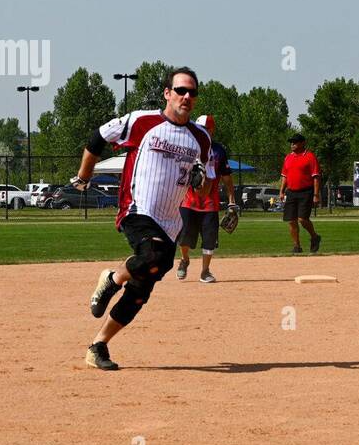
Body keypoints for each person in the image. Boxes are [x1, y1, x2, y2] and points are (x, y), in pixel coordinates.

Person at [76, 67, 212, 370]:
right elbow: (97, 137)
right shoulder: (141, 121)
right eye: (180, 90)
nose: (186, 97)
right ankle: (113, 279)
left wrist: (200, 178)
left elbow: (203, 189)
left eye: (192, 92)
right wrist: (83, 177)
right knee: (156, 257)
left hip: (170, 222)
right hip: (137, 209)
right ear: (167, 93)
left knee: (142, 289)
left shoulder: (201, 137)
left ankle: (98, 345)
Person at [177, 115, 238, 283]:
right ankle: (185, 259)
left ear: (211, 130)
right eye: (198, 128)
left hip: (210, 203)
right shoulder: (187, 147)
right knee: (184, 238)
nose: (200, 131)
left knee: (209, 240)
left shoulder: (218, 151)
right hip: (188, 201)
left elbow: (227, 177)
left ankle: (205, 271)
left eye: (204, 128)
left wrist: (232, 200)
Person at [278, 133, 321, 254]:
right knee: (291, 220)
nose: (292, 144)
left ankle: (314, 236)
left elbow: (316, 177)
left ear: (303, 143)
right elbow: (284, 176)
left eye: (295, 142)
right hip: (291, 192)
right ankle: (297, 246)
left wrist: (316, 195)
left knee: (302, 219)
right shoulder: (288, 157)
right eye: (291, 142)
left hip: (306, 191)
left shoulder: (310, 156)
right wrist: (281, 191)